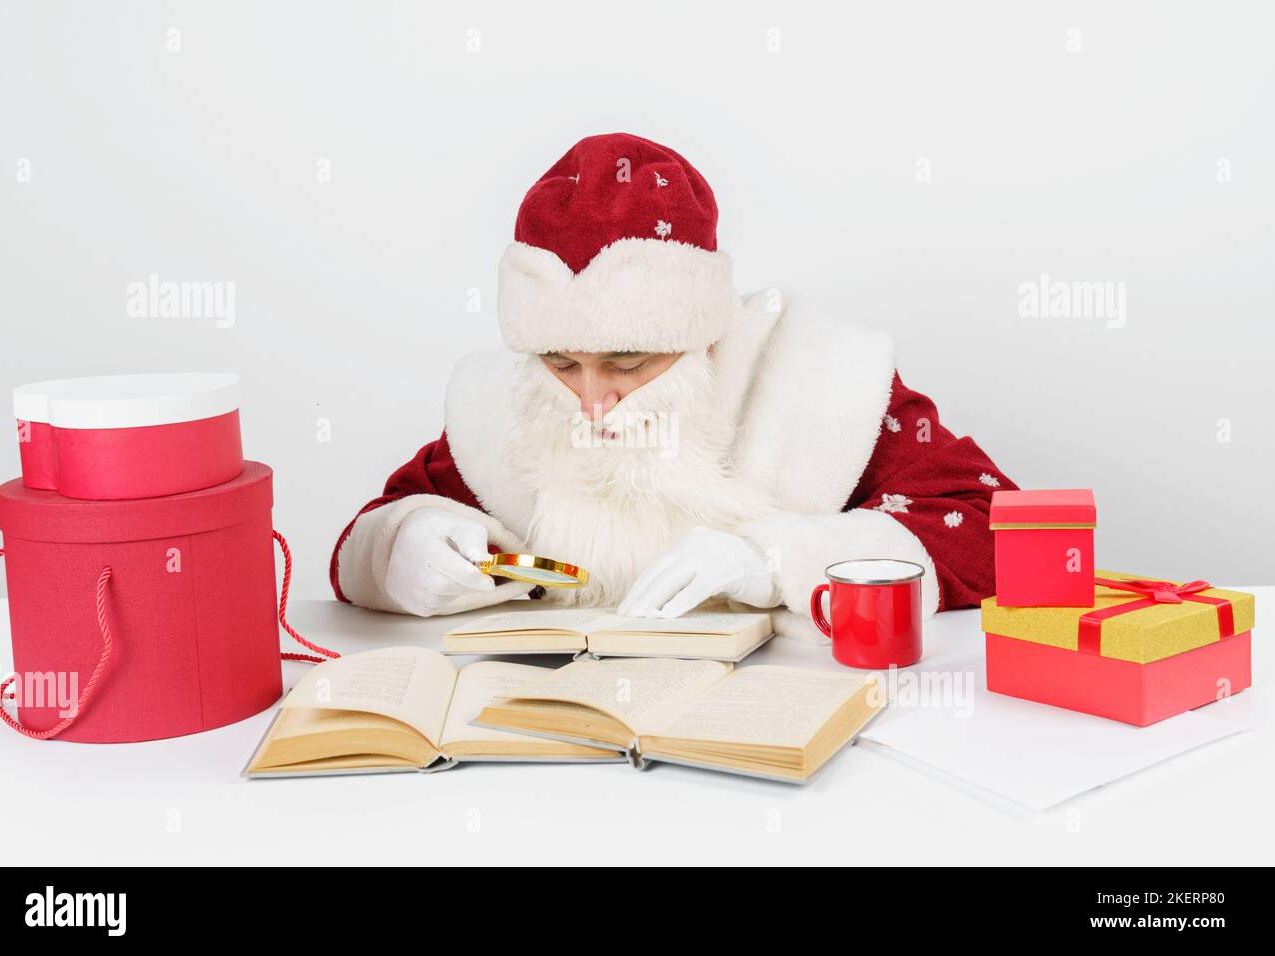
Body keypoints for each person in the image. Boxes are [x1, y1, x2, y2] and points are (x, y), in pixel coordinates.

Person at [330, 132, 1016, 643]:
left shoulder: (821, 381)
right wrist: (400, 551)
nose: (592, 402)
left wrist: (773, 558)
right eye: (563, 364)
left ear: (702, 336)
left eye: (626, 362)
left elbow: (997, 529)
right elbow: (367, 538)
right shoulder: (507, 405)